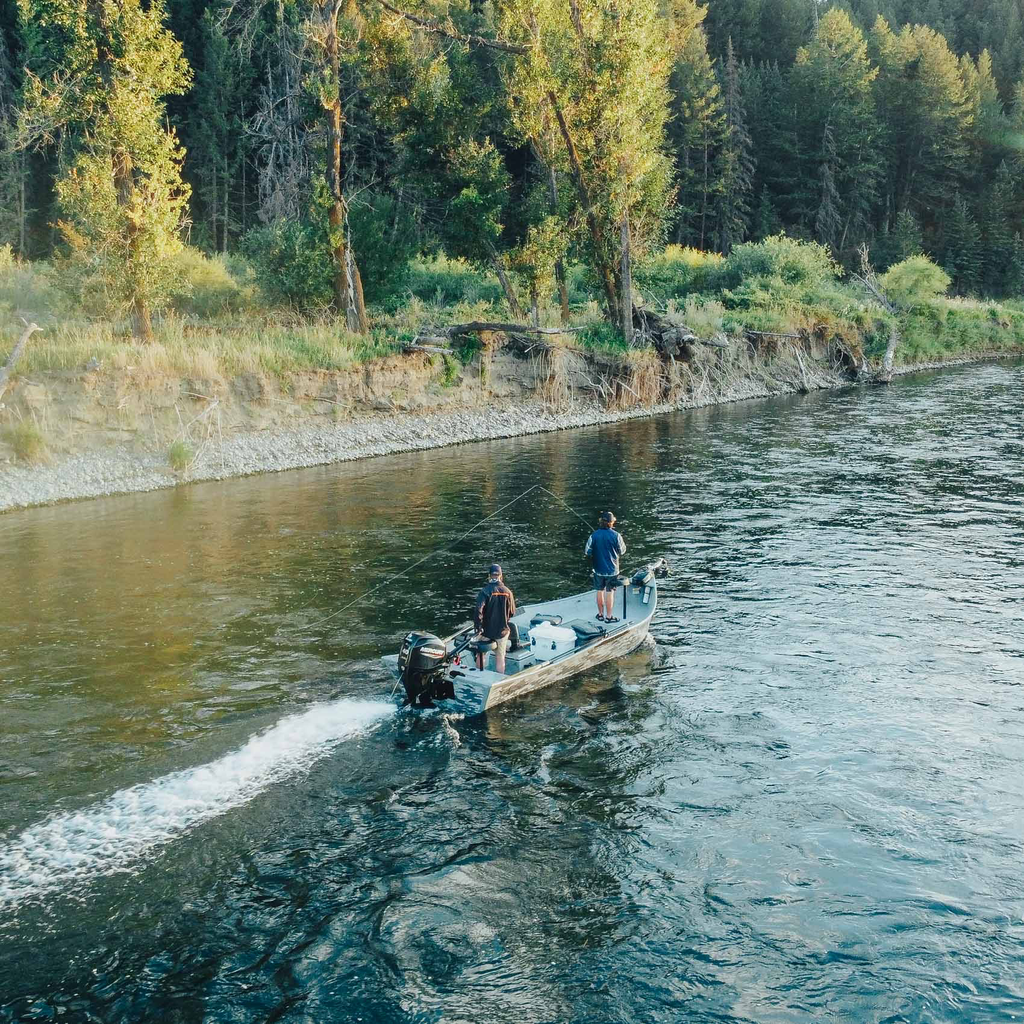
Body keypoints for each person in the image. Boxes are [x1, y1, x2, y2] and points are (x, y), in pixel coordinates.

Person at [474, 563, 516, 673]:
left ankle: (479, 676)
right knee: (500, 658)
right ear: (501, 576)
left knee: (480, 655)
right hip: (502, 631)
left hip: (487, 631)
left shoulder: (485, 591)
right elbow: (512, 612)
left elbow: (478, 611)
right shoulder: (508, 592)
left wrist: (478, 628)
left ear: (489, 576)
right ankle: (499, 680)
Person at [585, 511, 626, 622]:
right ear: (611, 522)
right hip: (612, 570)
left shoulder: (594, 535)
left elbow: (587, 551)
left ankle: (600, 614)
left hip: (598, 569)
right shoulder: (616, 535)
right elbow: (622, 551)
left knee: (599, 591)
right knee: (609, 592)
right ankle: (609, 617)